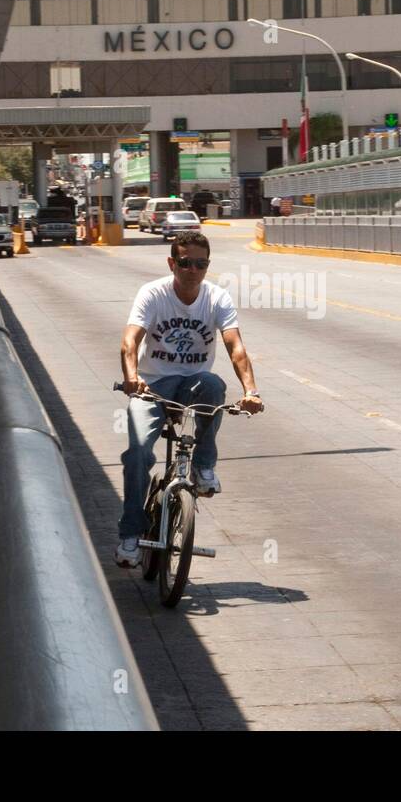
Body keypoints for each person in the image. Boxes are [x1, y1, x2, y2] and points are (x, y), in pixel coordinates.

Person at [114, 230, 263, 567]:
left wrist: (251, 391)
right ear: (172, 263)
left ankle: (203, 464)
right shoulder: (152, 294)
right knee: (137, 455)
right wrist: (132, 378)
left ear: (207, 266)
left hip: (193, 385)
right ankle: (130, 535)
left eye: (201, 263)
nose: (192, 269)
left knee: (213, 383)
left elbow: (235, 347)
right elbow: (129, 342)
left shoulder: (217, 298)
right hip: (151, 387)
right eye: (185, 262)